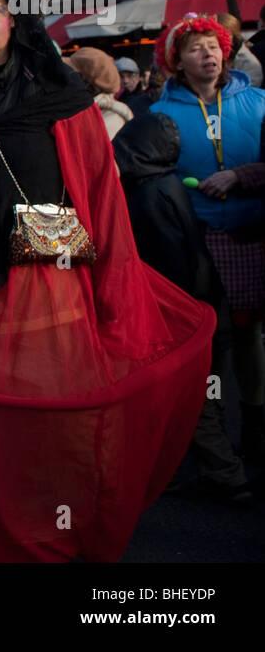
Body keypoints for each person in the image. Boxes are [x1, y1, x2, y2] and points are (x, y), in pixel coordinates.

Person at [0, 0, 215, 562]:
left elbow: (101, 197)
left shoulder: (58, 94)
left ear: (15, 19)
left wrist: (115, 291)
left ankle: (50, 535)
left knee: (55, 425)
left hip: (49, 276)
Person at [112, 112, 251, 504]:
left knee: (190, 399)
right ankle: (197, 472)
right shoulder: (166, 184)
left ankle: (226, 476)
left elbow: (169, 262)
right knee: (202, 394)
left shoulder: (148, 194)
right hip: (205, 308)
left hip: (184, 316)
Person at [151, 14, 265, 466]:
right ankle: (208, 435)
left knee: (249, 333)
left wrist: (242, 174)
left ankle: (255, 433)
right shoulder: (160, 115)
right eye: (196, 48)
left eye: (214, 46)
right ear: (177, 61)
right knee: (204, 340)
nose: (208, 54)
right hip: (194, 240)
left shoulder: (258, 103)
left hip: (248, 234)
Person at [65, 47, 132, 139]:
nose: (68, 79)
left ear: (88, 83)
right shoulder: (82, 109)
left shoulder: (111, 119)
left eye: (74, 75)